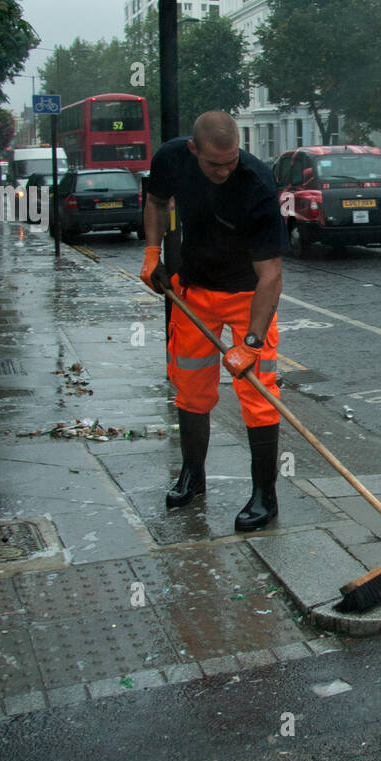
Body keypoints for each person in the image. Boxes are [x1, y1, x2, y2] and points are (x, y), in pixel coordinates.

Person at [139, 111, 288, 530]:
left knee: (259, 392)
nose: (224, 170)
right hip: (195, 291)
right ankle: (193, 475)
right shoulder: (171, 159)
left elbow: (271, 276)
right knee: (190, 384)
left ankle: (265, 495)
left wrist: (251, 343)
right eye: (214, 164)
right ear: (193, 150)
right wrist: (152, 255)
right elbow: (155, 202)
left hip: (247, 296)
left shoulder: (257, 185)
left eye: (231, 161)